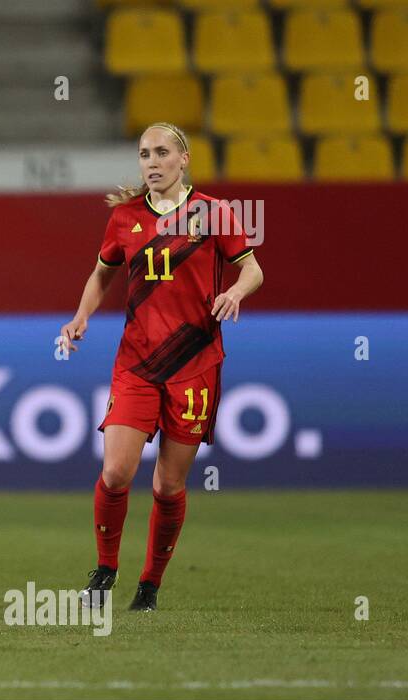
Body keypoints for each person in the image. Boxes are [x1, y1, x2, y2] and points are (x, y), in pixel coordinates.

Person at [60, 122, 264, 612]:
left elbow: (253, 268)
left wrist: (235, 291)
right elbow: (101, 274)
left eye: (161, 153)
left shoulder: (215, 214)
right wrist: (80, 316)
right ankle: (105, 570)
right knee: (115, 472)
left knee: (167, 486)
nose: (151, 162)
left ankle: (149, 584)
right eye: (143, 154)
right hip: (137, 362)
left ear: (183, 159)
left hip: (195, 364)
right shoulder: (126, 218)